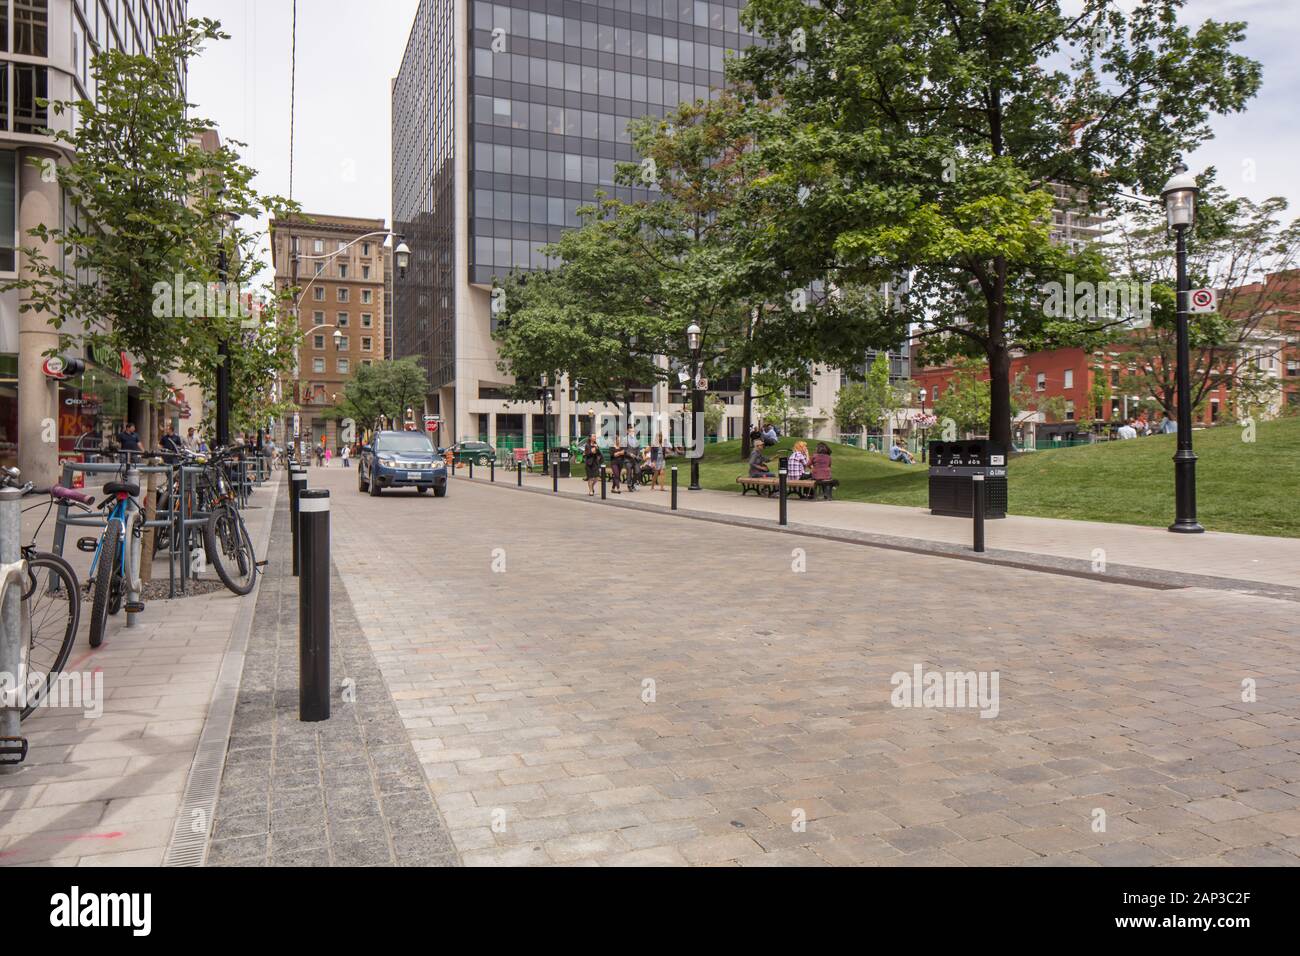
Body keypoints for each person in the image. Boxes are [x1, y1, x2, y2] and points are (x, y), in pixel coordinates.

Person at [623, 427, 640, 493]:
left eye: (633, 431)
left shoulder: (636, 439)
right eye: (631, 431)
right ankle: (629, 485)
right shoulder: (624, 439)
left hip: (635, 459)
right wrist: (630, 454)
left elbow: (638, 448)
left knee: (637, 472)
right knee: (629, 472)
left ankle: (633, 484)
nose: (632, 432)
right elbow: (624, 450)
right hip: (628, 459)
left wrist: (638, 455)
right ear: (628, 432)